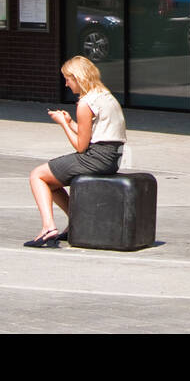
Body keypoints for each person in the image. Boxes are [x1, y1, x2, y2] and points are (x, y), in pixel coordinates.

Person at [25, 56, 127, 247]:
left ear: (78, 78)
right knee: (52, 182)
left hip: (96, 157)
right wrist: (72, 122)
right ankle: (76, 221)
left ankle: (48, 227)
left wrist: (63, 124)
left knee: (37, 175)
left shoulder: (85, 103)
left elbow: (81, 146)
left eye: (68, 79)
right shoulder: (105, 96)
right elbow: (92, 132)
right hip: (112, 157)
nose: (66, 84)